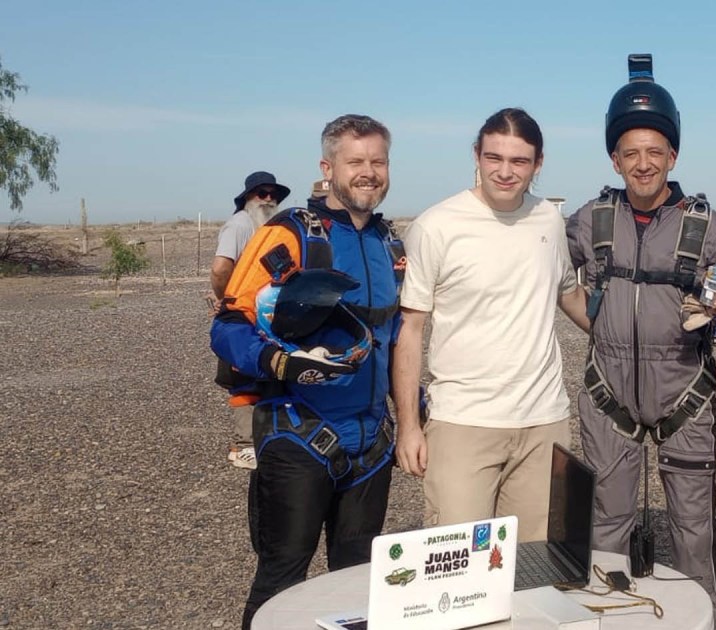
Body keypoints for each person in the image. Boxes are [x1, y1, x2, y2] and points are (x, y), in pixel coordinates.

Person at [566, 55, 716, 630]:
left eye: (654, 152)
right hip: (607, 396)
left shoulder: (706, 226)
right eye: (630, 153)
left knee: (694, 532)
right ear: (613, 158)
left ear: (673, 156)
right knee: (606, 529)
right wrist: (593, 322)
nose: (642, 164)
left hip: (685, 397)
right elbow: (535, 270)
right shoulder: (588, 220)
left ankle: (707, 622)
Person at [210, 114, 403, 629]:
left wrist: (418, 406)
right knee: (281, 583)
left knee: (361, 586)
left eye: (378, 161)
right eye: (355, 161)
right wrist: (279, 360)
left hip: (371, 447)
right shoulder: (289, 235)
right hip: (299, 437)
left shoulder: (391, 244)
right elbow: (228, 325)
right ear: (328, 167)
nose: (369, 172)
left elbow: (398, 337)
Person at [394, 107, 589, 542]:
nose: (505, 171)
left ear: (538, 164)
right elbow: (410, 331)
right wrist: (408, 425)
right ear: (476, 155)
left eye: (519, 161)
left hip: (543, 422)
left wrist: (633, 334)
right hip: (464, 422)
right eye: (493, 158)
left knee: (532, 567)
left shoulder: (549, 220)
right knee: (459, 567)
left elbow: (569, 295)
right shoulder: (436, 226)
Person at [209, 171, 291, 469]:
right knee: (242, 374)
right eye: (261, 193)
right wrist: (227, 302)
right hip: (243, 313)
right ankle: (243, 445)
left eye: (273, 194)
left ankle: (260, 438)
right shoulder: (240, 224)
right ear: (247, 197)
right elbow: (220, 269)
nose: (268, 199)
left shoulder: (266, 228)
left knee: (263, 371)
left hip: (264, 314)